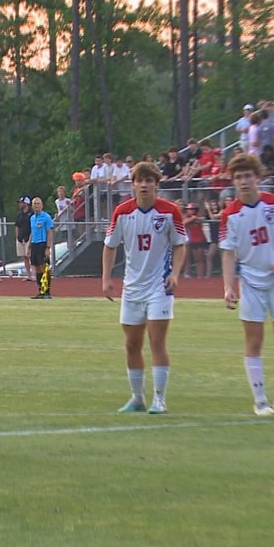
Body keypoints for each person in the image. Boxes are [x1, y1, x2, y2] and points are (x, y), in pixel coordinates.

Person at [102, 160, 188, 415]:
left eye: (149, 181)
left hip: (159, 287)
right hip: (132, 287)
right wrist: (106, 278)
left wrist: (175, 273)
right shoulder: (122, 212)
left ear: (156, 185)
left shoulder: (170, 211)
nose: (144, 185)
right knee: (131, 344)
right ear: (133, 185)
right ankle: (137, 397)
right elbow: (109, 246)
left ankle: (159, 398)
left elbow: (180, 244)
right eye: (140, 181)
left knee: (156, 340)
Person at [219, 154, 274, 416]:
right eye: (238, 177)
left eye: (247, 176)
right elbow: (228, 252)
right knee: (253, 341)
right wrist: (228, 286)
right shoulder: (230, 214)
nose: (243, 181)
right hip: (250, 283)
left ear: (257, 177)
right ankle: (260, 400)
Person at [28, 196, 55, 299]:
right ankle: (40, 291)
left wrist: (48, 247)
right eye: (34, 204)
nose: (36, 206)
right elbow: (32, 232)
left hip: (42, 243)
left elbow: (50, 232)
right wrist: (28, 245)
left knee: (44, 267)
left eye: (38, 203)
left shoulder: (46, 217)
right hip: (35, 244)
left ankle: (47, 291)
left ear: (42, 205)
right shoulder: (32, 218)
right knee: (37, 268)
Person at [15, 196, 33, 281]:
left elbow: (33, 227)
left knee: (31, 256)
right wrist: (17, 237)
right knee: (25, 257)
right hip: (21, 238)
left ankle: (34, 275)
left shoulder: (32, 214)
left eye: (21, 203)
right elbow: (17, 226)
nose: (20, 204)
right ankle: (29, 275)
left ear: (26, 203)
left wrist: (31, 238)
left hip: (29, 238)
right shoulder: (20, 215)